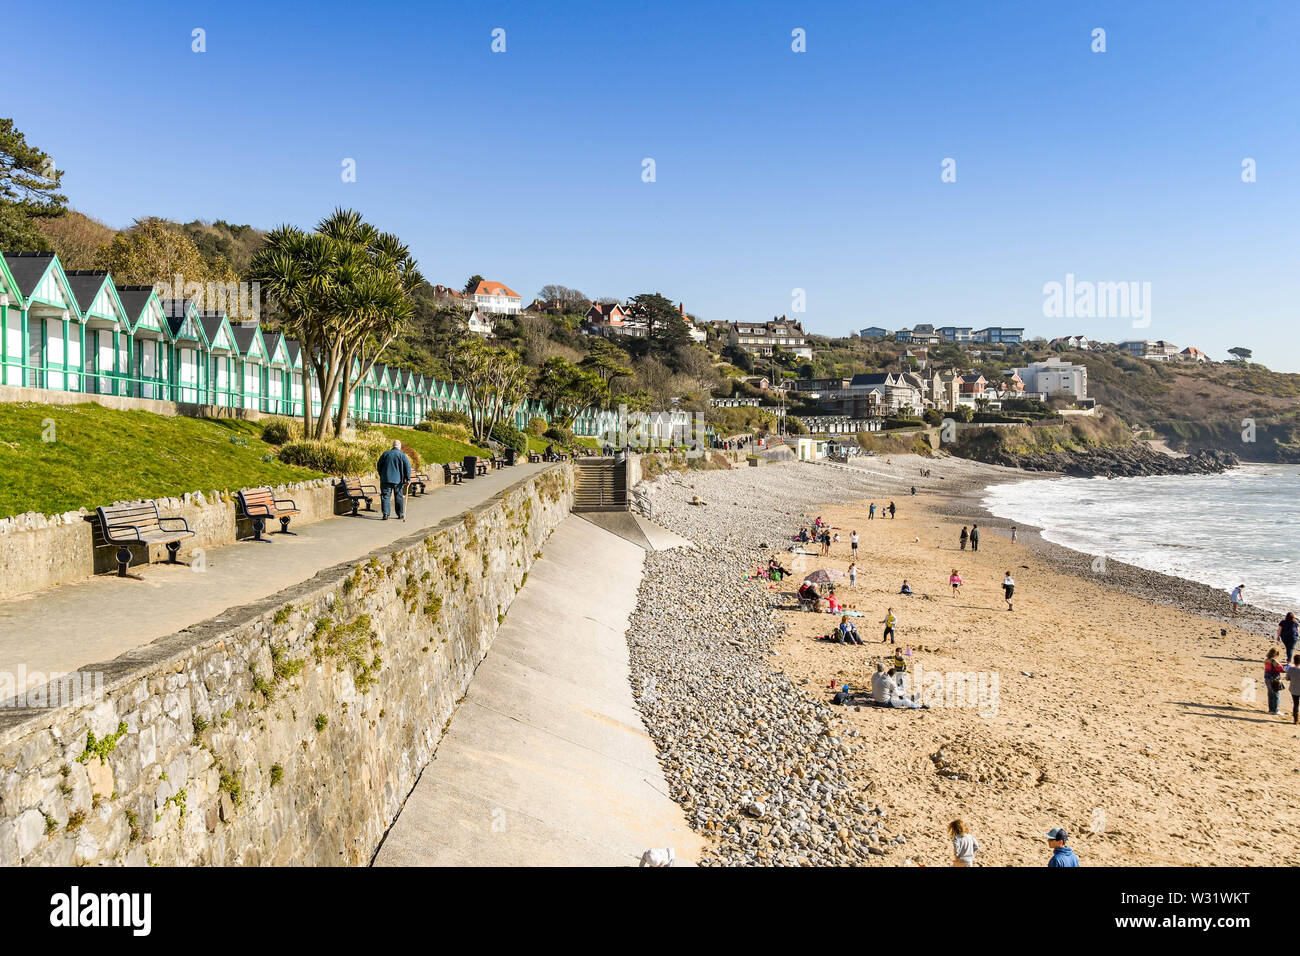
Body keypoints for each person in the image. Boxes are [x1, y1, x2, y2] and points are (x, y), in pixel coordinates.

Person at [376, 439, 411, 521]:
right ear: (399, 446)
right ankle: (400, 514)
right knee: (398, 497)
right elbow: (408, 467)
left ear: (392, 446)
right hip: (398, 481)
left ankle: (385, 514)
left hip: (385, 479)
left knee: (385, 497)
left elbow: (379, 465)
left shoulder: (385, 454)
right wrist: (408, 478)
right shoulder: (402, 455)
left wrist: (382, 475)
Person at [1265, 648, 1286, 716]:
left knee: (1270, 694)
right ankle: (1275, 710)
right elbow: (1281, 669)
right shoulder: (1273, 661)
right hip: (1274, 679)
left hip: (1267, 678)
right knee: (1276, 695)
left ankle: (1271, 709)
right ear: (1275, 655)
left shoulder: (1266, 660)